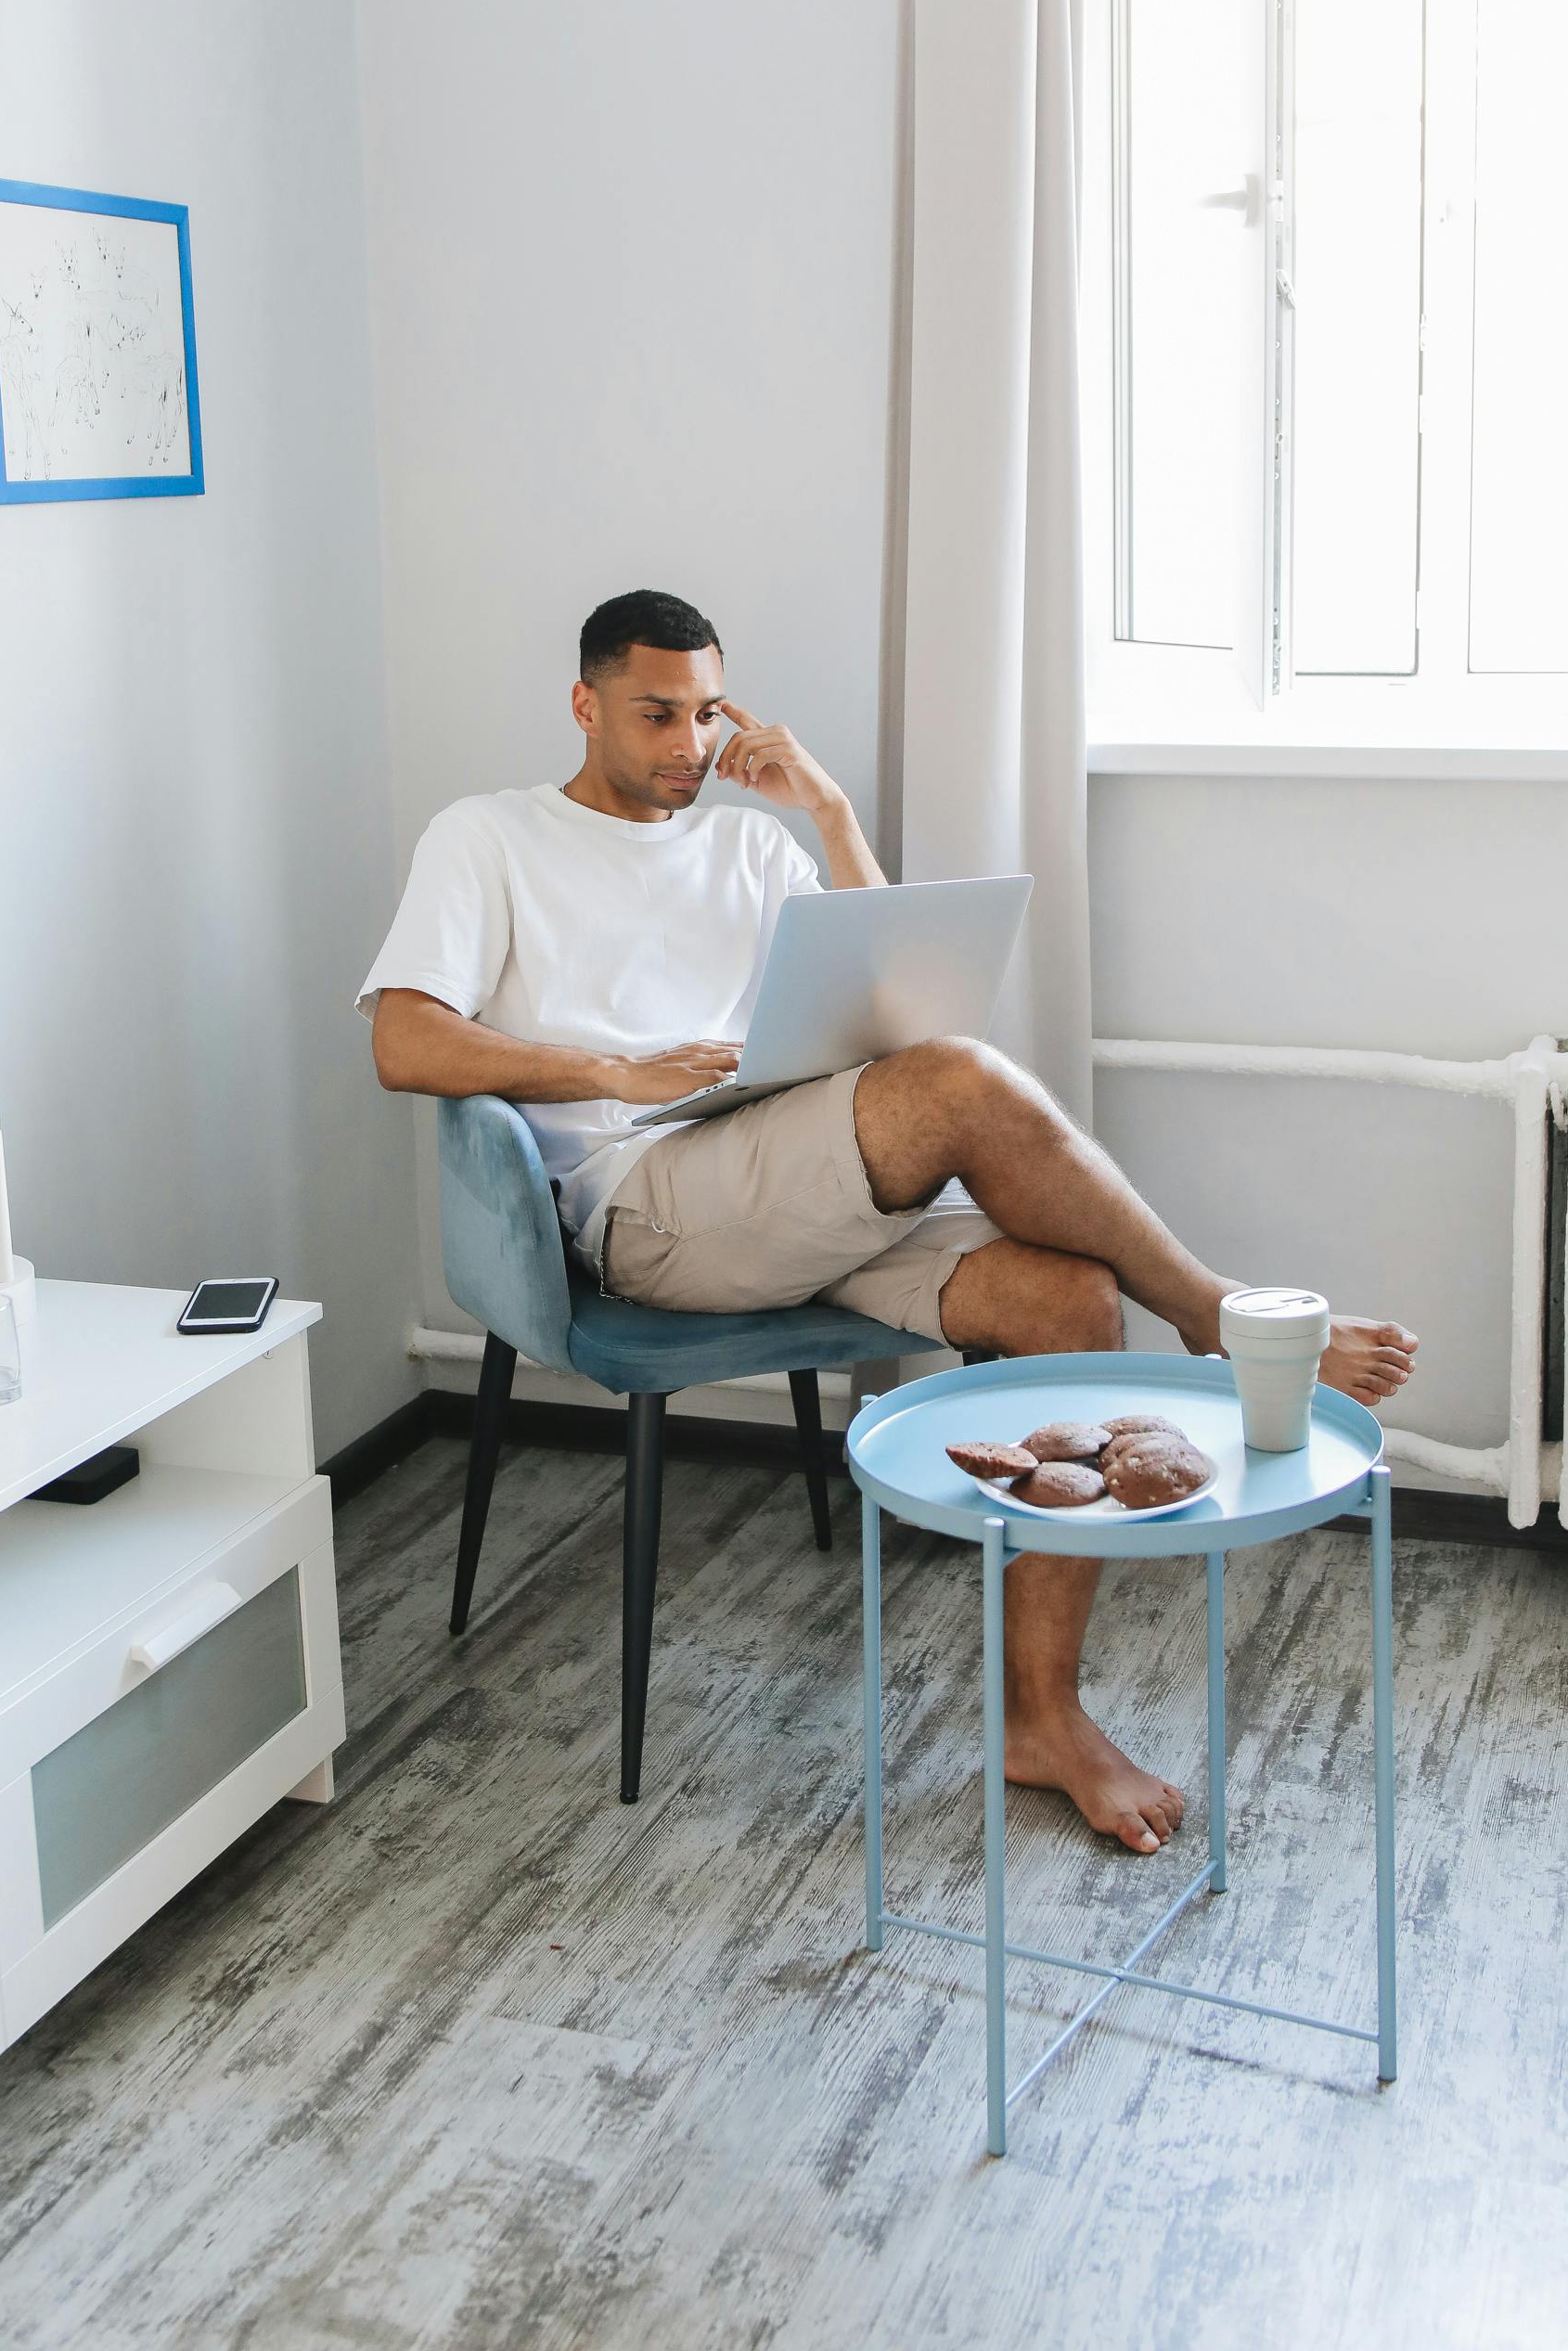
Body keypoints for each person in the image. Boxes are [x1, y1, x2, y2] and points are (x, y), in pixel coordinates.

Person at [360, 589, 1418, 1855]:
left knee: (1072, 1301)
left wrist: (829, 814)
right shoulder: (487, 836)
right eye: (655, 715)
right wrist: (610, 1069)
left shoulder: (753, 850)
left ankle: (1042, 1721)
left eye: (707, 713)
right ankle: (1215, 1313)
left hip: (789, 1178)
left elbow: (899, 1016)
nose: (689, 743)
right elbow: (404, 1041)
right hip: (646, 1203)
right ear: (584, 705)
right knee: (961, 1083)